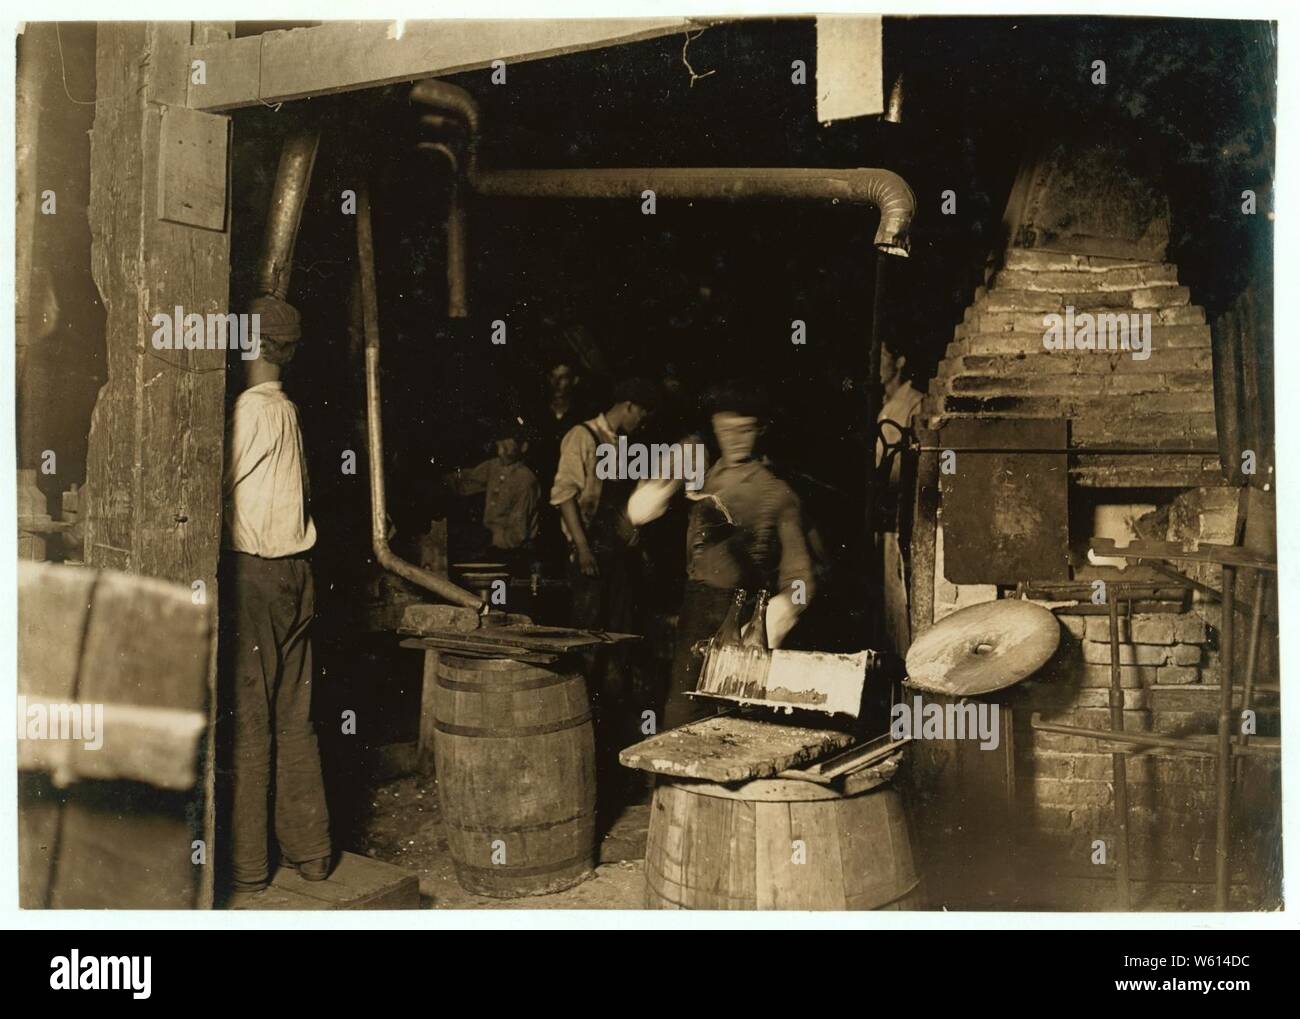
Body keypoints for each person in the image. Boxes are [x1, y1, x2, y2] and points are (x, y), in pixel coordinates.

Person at [220, 296, 331, 906]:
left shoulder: (249, 412)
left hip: (255, 579)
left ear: (248, 346)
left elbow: (206, 486)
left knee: (251, 724)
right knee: (296, 720)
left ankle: (247, 870)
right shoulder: (288, 410)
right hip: (298, 575)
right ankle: (312, 854)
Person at [628, 380, 816, 730]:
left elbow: (802, 583)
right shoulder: (702, 470)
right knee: (679, 721)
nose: (733, 438)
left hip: (742, 616)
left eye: (744, 429)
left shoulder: (776, 493)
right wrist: (666, 477)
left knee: (728, 725)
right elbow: (639, 512)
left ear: (760, 430)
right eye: (724, 428)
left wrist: (766, 624)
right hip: (696, 612)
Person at [550, 378, 657, 784]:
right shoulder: (581, 436)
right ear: (627, 404)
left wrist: (635, 535)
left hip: (619, 560)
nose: (643, 422)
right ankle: (581, 736)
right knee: (588, 644)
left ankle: (611, 743)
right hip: (589, 556)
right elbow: (563, 496)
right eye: (641, 413)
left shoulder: (623, 445)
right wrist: (582, 549)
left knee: (620, 641)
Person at [876, 341, 927, 653]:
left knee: (899, 596)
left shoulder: (913, 404)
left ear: (900, 360)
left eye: (882, 357)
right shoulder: (885, 403)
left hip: (900, 508)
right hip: (885, 509)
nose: (875, 363)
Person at [445, 418, 541, 576]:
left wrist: (488, 539)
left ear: (523, 447)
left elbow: (518, 535)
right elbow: (465, 483)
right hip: (491, 547)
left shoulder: (526, 480)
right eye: (498, 445)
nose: (500, 452)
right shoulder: (494, 466)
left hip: (514, 554)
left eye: (506, 447)